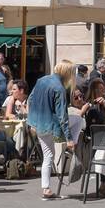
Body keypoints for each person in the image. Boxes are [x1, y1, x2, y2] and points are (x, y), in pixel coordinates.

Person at [29, 60, 76, 200]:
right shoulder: (59, 88)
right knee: (49, 155)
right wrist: (69, 138)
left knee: (48, 154)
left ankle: (46, 187)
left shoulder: (41, 80)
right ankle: (46, 188)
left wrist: (31, 121)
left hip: (38, 123)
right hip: (48, 124)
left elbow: (30, 99)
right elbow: (62, 116)